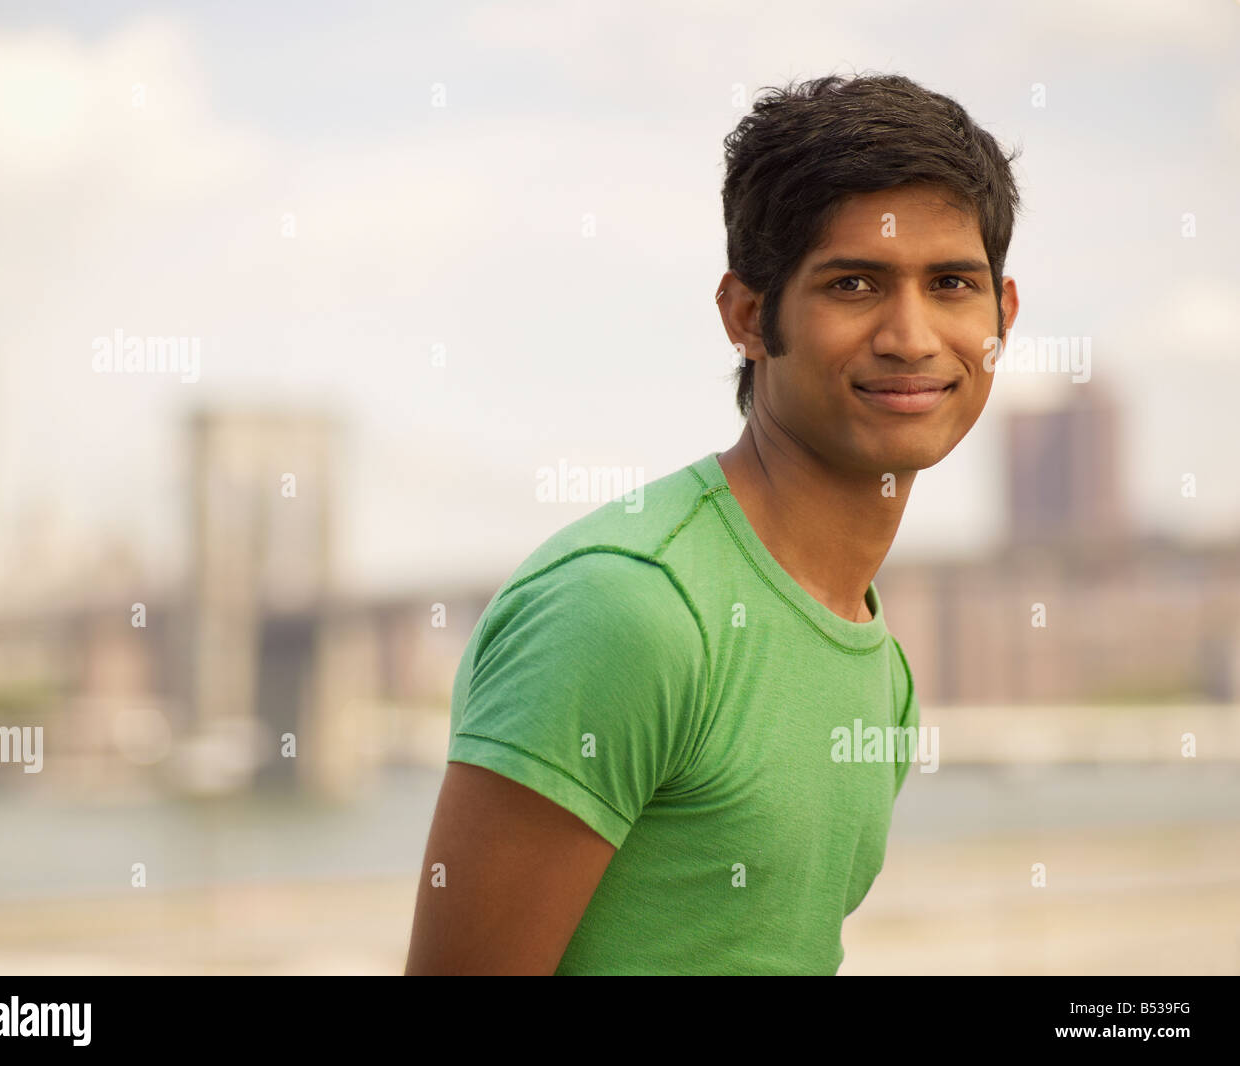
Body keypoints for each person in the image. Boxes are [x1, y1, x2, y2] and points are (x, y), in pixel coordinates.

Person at [405, 71, 1021, 975]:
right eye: (854, 283)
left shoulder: (873, 656)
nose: (912, 336)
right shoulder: (626, 609)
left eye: (952, 284)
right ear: (747, 316)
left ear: (1002, 316)